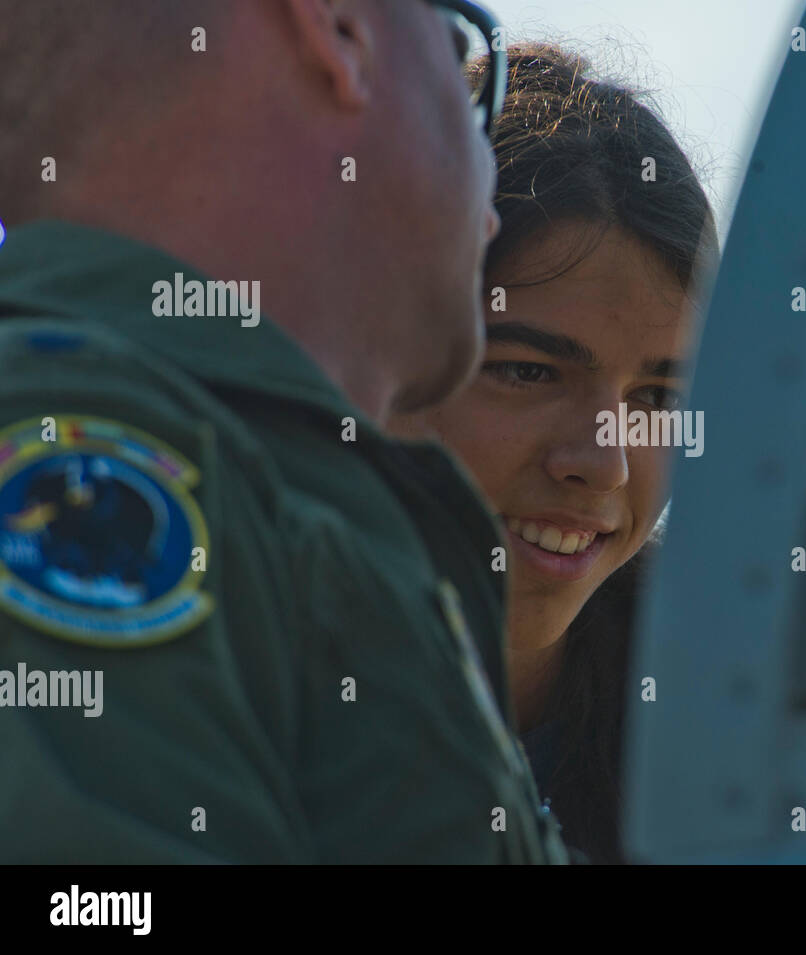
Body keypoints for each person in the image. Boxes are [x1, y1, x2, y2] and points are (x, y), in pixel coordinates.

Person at [0, 0, 565, 863]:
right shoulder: (76, 440)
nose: (490, 177)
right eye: (460, 57)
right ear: (337, 28)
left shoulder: (227, 469)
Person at [387, 42, 720, 862]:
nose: (602, 463)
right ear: (377, 357)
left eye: (658, 399)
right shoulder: (197, 687)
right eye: (529, 371)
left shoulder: (736, 736)